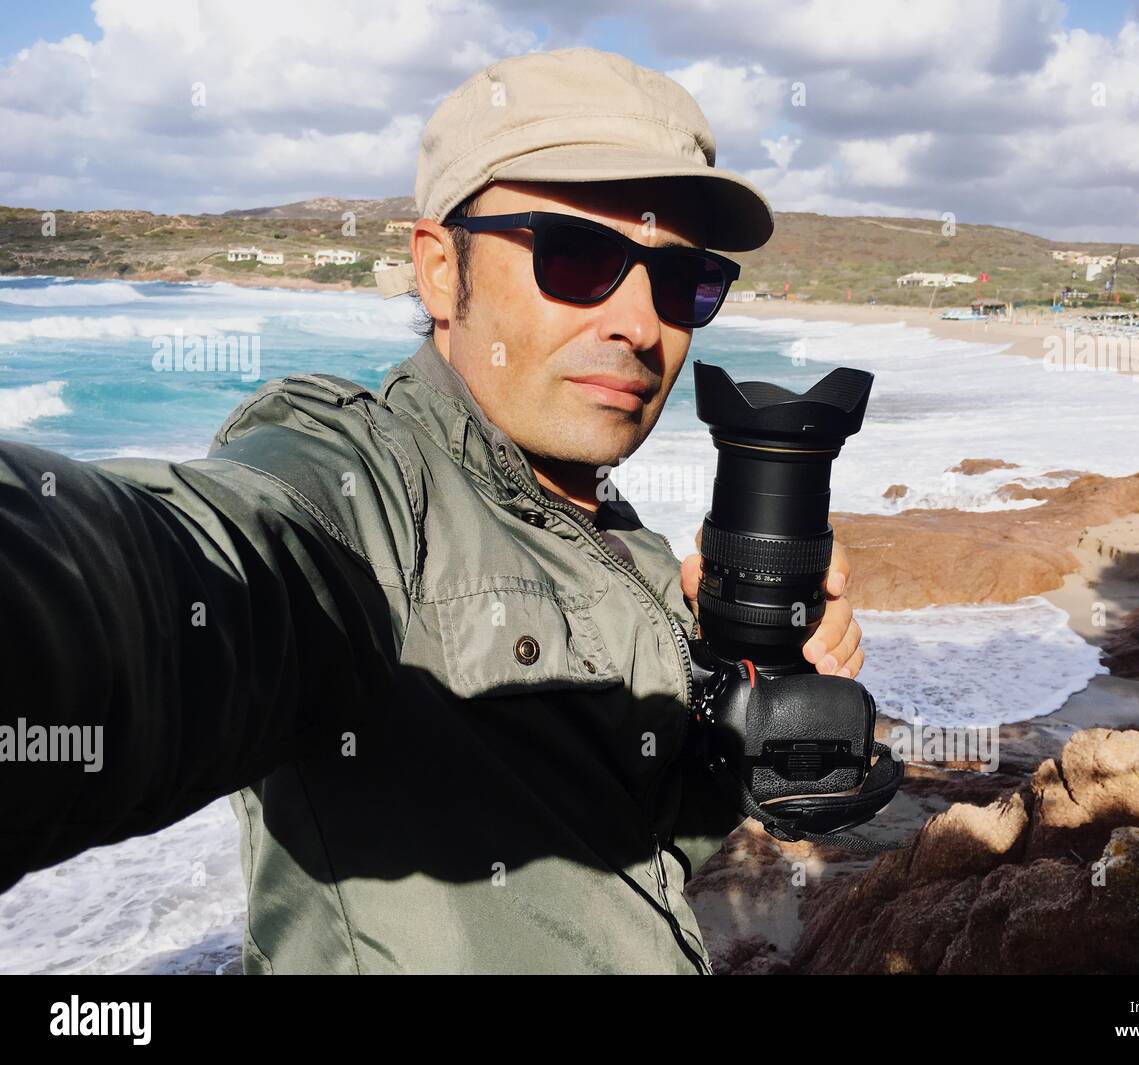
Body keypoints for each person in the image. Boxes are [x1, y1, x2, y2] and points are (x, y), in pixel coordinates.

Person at [0, 47, 863, 974]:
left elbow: (621, 841)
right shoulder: (361, 481)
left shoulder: (625, 545)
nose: (642, 325)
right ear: (440, 270)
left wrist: (739, 717)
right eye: (579, 257)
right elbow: (191, 571)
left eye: (681, 277)